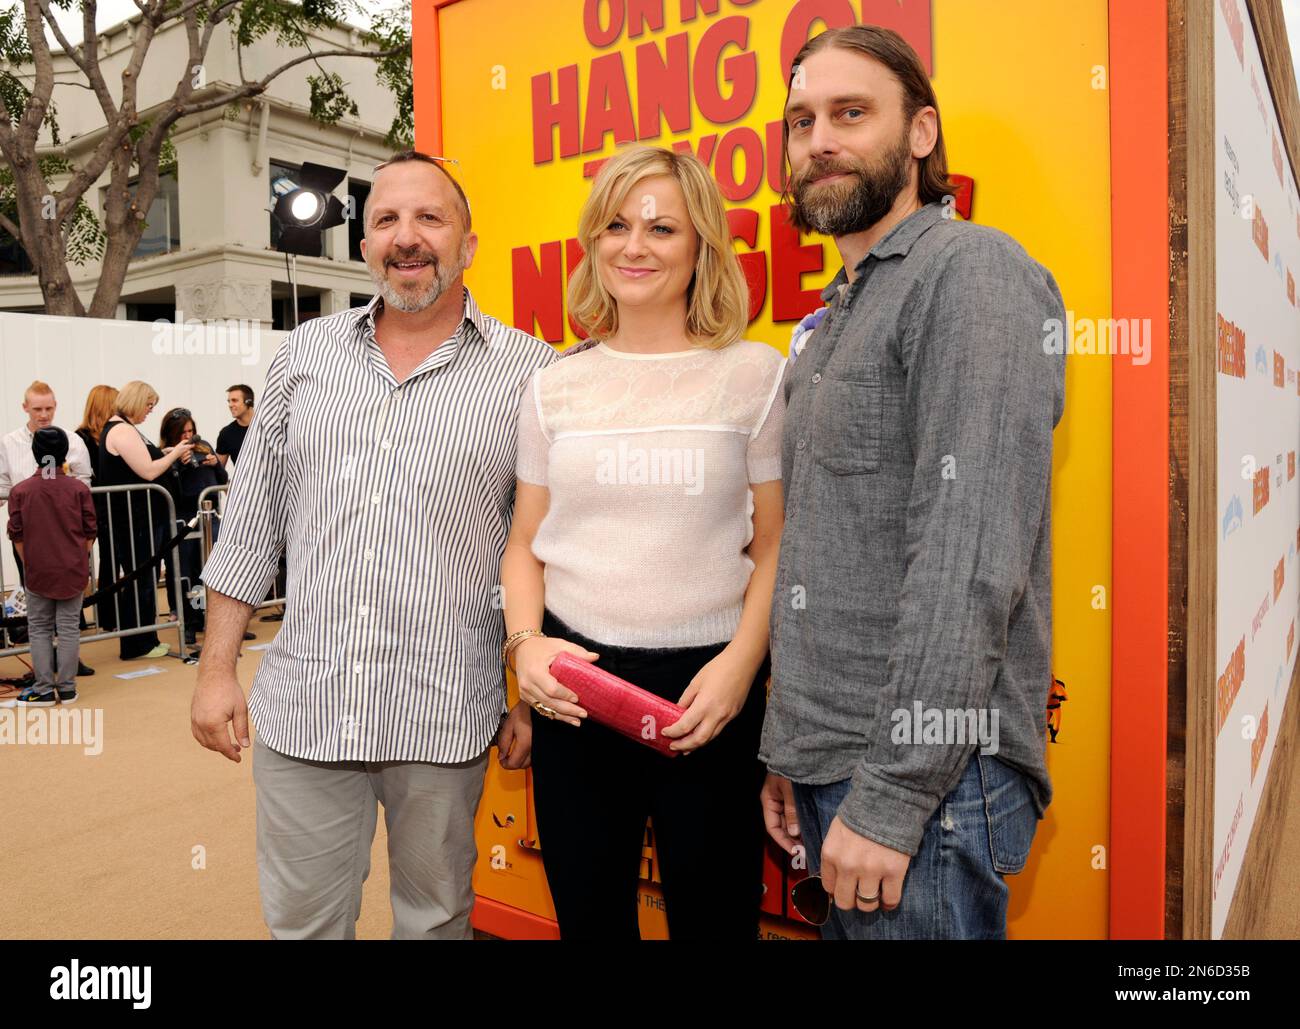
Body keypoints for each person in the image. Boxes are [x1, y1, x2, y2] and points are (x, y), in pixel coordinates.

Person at [191, 150, 555, 940]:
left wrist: (527, 693)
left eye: (430, 217)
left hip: (444, 710)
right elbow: (252, 520)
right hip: (307, 709)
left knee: (434, 924)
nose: (407, 236)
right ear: (364, 247)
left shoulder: (533, 374)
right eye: (385, 219)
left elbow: (540, 547)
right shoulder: (305, 355)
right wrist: (217, 668)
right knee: (304, 927)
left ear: (468, 243)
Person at [758, 26, 1066, 940]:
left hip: (924, 786)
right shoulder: (838, 313)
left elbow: (968, 559)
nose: (820, 140)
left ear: (922, 133)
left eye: (852, 114)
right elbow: (830, 543)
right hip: (836, 761)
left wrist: (891, 795)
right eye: (802, 120)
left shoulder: (972, 274)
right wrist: (792, 752)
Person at [501, 144, 786, 940]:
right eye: (618, 225)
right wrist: (526, 647)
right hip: (576, 691)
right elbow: (525, 542)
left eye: (664, 227)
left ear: (701, 246)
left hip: (711, 692)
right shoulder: (553, 384)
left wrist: (740, 664)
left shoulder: (755, 374)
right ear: (593, 242)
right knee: (591, 924)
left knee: (718, 921)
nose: (637, 245)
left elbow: (775, 546)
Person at [1, 381, 96, 675]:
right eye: (38, 408)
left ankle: (68, 661)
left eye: (49, 408)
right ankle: (43, 665)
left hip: (67, 533)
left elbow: (85, 481)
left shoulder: (72, 441)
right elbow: (3, 484)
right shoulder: (9, 443)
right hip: (29, 536)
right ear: (25, 407)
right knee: (38, 606)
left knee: (67, 608)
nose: (44, 414)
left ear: (56, 406)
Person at [99, 381, 193, 660]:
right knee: (142, 580)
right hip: (135, 521)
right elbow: (148, 471)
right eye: (149, 406)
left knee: (145, 579)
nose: (150, 411)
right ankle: (137, 643)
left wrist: (163, 453)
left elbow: (145, 462)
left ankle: (145, 639)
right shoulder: (122, 430)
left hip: (140, 518)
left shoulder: (125, 428)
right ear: (137, 402)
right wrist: (175, 452)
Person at [159, 408, 227, 649]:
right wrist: (178, 466)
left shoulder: (204, 445)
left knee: (212, 571)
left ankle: (214, 623)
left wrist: (215, 463)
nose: (188, 436)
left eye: (191, 431)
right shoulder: (166, 456)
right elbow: (172, 490)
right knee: (187, 574)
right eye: (182, 433)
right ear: (172, 435)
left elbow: (221, 478)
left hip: (211, 518)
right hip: (185, 521)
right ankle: (190, 622)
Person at [76, 385, 120, 636]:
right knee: (80, 563)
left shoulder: (111, 434)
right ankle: (77, 616)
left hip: (108, 508)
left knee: (110, 562)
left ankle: (108, 616)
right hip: (88, 508)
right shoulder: (80, 437)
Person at [215, 385, 254, 471]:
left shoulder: (266, 426)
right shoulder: (226, 434)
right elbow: (219, 473)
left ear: (249, 402)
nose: (230, 405)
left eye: (234, 401)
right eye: (229, 401)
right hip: (244, 484)